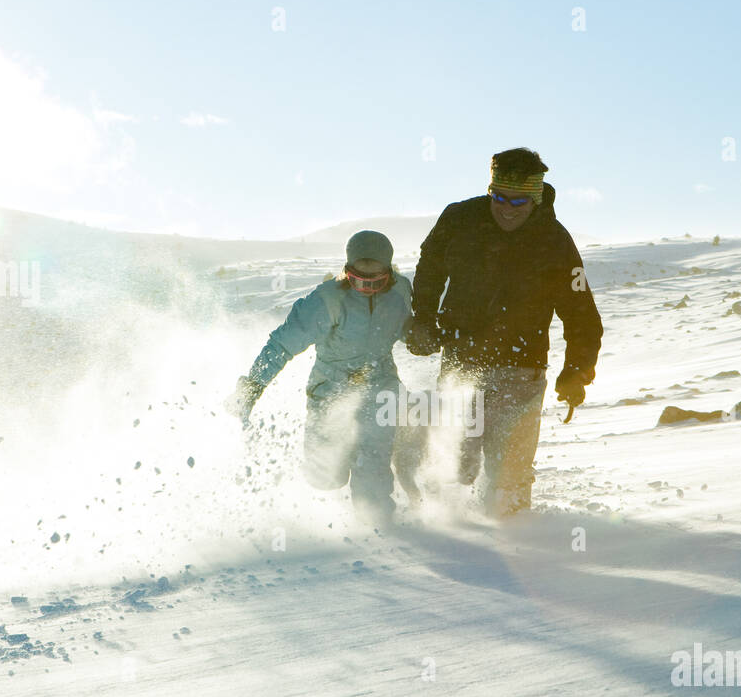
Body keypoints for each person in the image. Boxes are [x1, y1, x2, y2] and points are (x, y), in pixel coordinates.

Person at [405, 147, 603, 516]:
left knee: (508, 474)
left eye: (519, 201)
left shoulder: (555, 241)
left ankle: (514, 545)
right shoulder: (460, 218)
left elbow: (582, 314)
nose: (507, 208)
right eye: (499, 197)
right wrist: (422, 319)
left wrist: (577, 371)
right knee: (454, 465)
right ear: (490, 189)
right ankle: (439, 534)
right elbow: (429, 267)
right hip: (462, 362)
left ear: (536, 198)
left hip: (522, 369)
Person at [227, 230, 412, 526]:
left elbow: (407, 328)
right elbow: (282, 344)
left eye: (375, 282)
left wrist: (419, 336)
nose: (366, 288)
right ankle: (339, 472)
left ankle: (377, 527)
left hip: (381, 387)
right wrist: (254, 384)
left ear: (388, 273)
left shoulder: (400, 293)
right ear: (346, 272)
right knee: (325, 476)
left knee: (371, 459)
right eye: (357, 280)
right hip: (331, 391)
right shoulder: (326, 301)